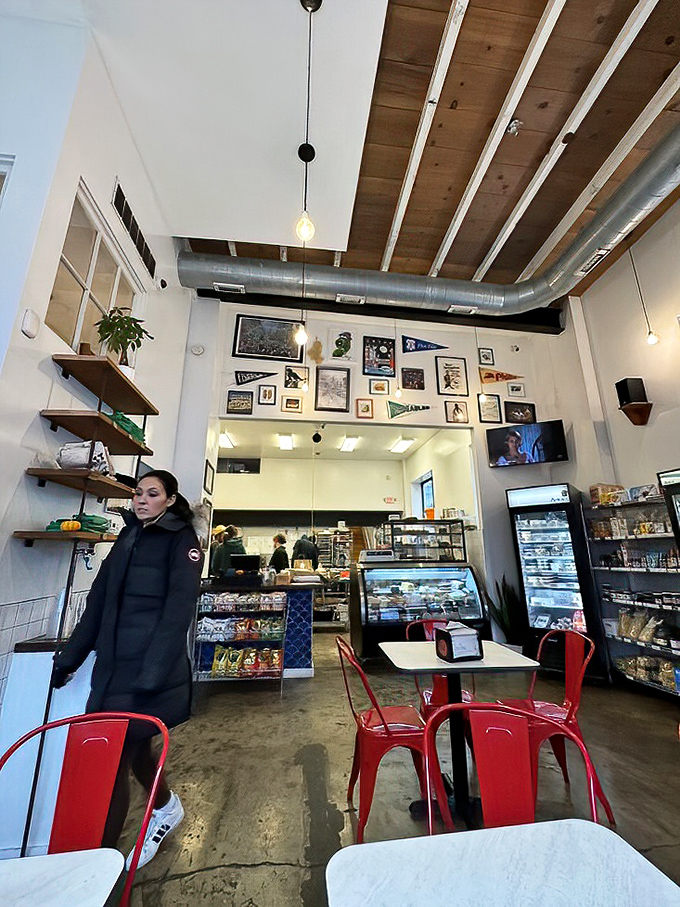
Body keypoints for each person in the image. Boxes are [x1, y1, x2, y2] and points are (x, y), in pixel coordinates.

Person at [52, 470, 203, 868]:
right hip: (114, 666)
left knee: (116, 756)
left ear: (170, 500)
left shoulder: (182, 541)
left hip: (149, 672)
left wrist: (152, 675)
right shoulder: (129, 536)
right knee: (134, 751)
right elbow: (99, 602)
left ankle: (98, 863)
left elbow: (177, 614)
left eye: (152, 494)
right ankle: (167, 809)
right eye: (138, 493)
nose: (141, 499)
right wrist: (70, 658)